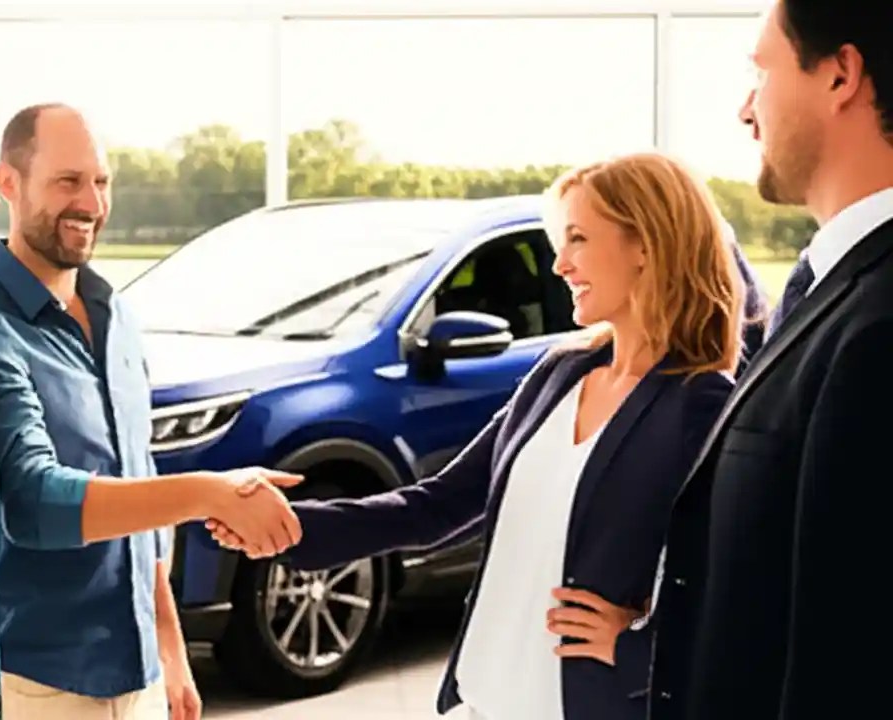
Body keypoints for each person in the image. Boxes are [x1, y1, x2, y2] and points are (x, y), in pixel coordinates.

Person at [210, 152, 745, 720]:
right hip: (482, 696)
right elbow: (438, 505)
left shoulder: (701, 403)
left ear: (647, 245)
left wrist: (640, 645)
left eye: (579, 239)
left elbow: (735, 583)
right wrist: (291, 528)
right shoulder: (559, 373)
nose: (560, 264)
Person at [0, 103, 303, 720]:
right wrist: (209, 494)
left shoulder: (118, 318)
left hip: (142, 674)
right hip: (39, 684)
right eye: (67, 181)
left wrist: (170, 645)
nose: (91, 203)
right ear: (7, 184)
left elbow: (138, 480)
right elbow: (31, 500)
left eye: (101, 181)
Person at [645, 3, 893, 718]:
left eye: (762, 70)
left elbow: (852, 655)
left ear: (841, 75)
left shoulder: (880, 326)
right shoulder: (829, 293)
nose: (745, 109)